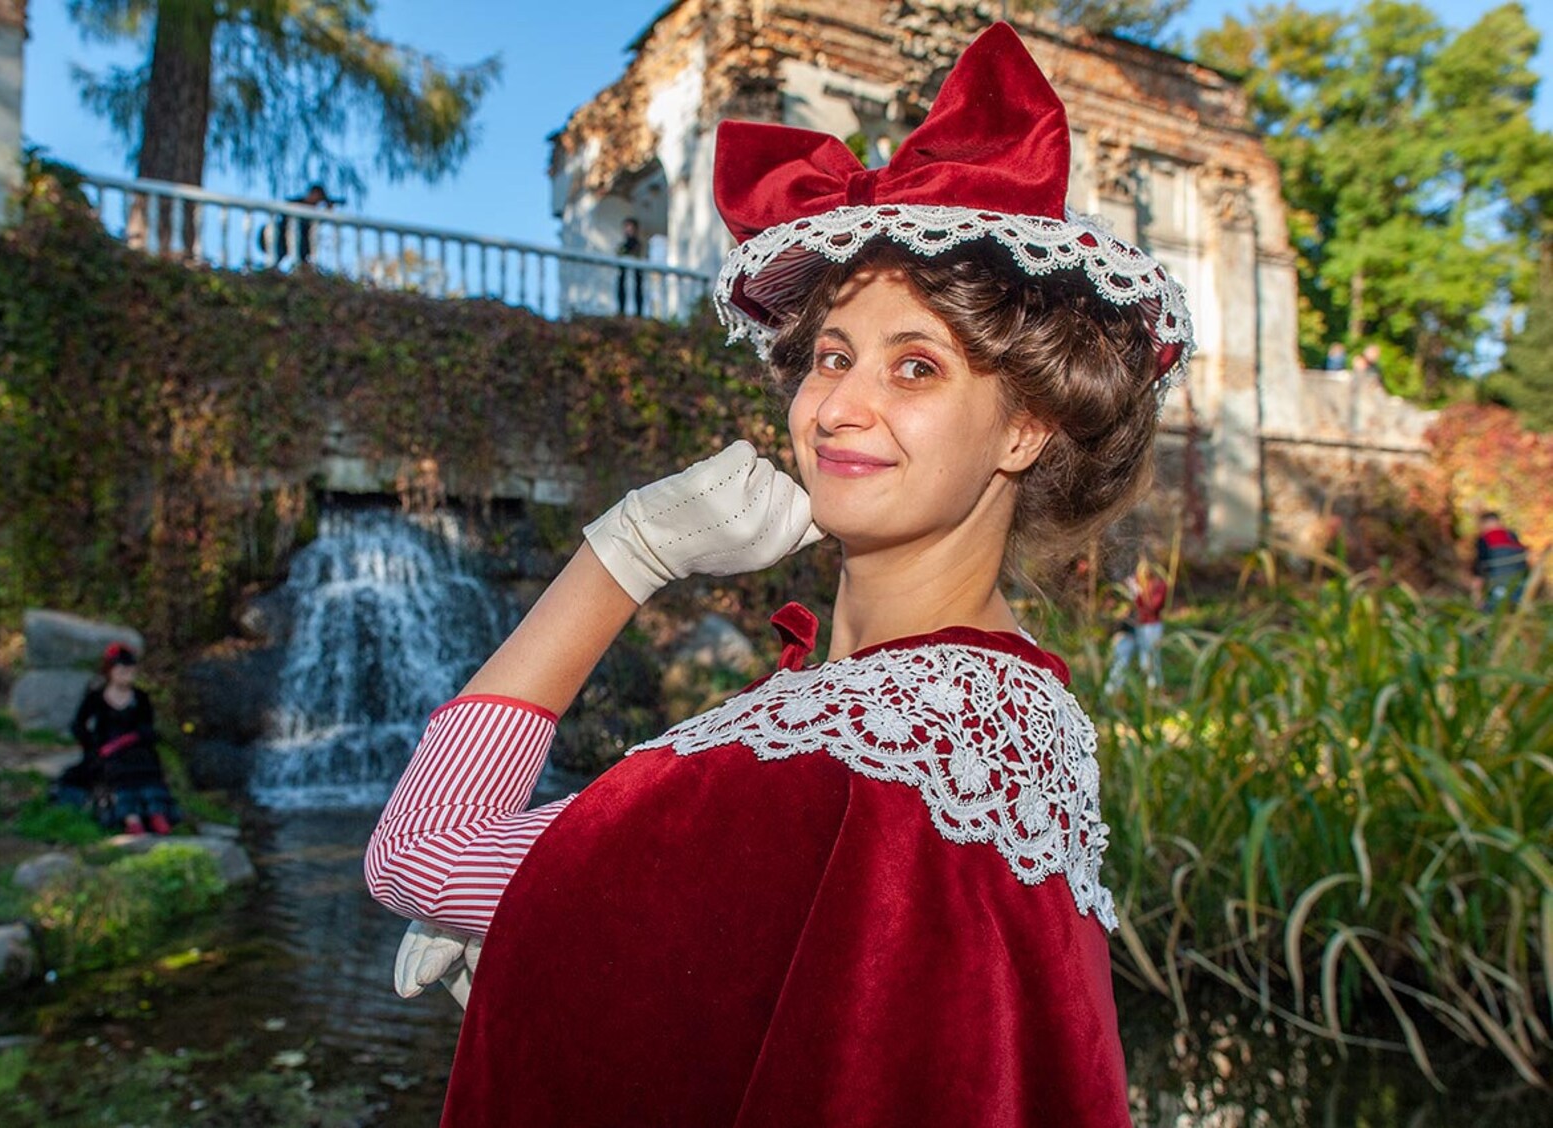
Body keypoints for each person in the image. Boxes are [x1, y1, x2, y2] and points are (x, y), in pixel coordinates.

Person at [367, 23, 1192, 1126]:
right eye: (829, 355)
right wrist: (561, 949)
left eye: (916, 367)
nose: (836, 405)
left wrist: (624, 553)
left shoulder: (873, 742)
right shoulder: (991, 711)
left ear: (1024, 431)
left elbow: (422, 850)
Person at [68, 643, 179, 835]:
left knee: (148, 771)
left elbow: (147, 726)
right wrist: (92, 744)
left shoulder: (140, 697)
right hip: (108, 751)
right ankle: (130, 819)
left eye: (129, 670)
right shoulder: (96, 697)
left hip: (137, 749)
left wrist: (138, 737)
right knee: (115, 774)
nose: (126, 674)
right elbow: (78, 725)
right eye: (121, 670)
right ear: (110, 671)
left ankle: (157, 814)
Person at [1107, 558, 1168, 692]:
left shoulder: (1159, 585)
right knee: (1121, 657)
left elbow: (1153, 607)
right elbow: (1117, 602)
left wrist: (1138, 594)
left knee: (1149, 660)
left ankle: (1153, 691)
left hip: (1150, 626)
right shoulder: (1133, 582)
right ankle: (1113, 690)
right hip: (1130, 626)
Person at [1472, 511, 1530, 611]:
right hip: (1519, 579)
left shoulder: (1483, 539)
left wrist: (1477, 582)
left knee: (1495, 607)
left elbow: (1481, 561)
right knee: (1518, 605)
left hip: (1498, 580)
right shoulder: (1511, 535)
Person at [272, 182, 340, 268]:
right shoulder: (299, 203)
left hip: (302, 239)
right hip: (284, 234)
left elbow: (316, 224)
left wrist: (328, 210)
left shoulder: (313, 210)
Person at [615, 216, 646, 315]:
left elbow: (640, 255)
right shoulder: (623, 245)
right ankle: (621, 311)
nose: (628, 230)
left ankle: (639, 313)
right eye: (626, 227)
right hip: (623, 273)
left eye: (630, 228)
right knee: (622, 290)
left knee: (637, 291)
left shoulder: (639, 245)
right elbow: (619, 254)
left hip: (637, 273)